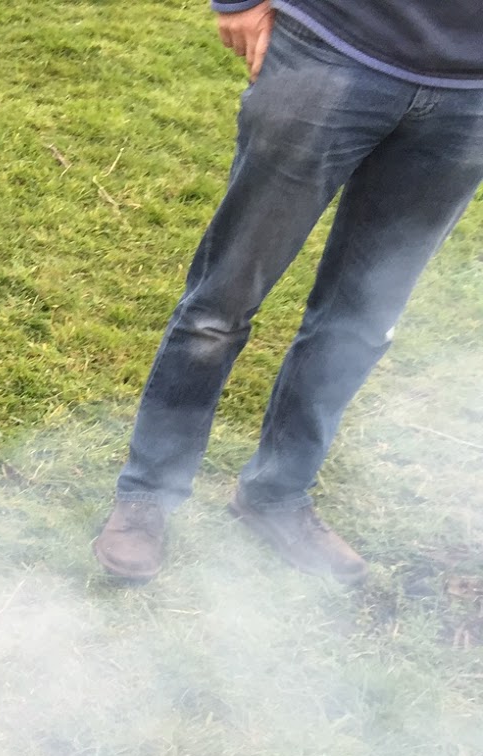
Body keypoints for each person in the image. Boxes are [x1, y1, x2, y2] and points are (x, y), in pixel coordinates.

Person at [94, 0, 483, 585]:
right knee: (220, 304)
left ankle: (276, 494)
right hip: (333, 45)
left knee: (361, 323)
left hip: (469, 96)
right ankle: (148, 495)